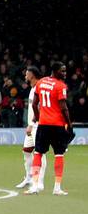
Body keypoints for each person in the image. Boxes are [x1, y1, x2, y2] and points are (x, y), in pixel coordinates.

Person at [26, 62, 72, 196]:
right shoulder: (60, 86)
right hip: (57, 126)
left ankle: (34, 185)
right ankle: (57, 188)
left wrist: (39, 118)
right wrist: (69, 124)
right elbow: (64, 108)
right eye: (62, 71)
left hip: (43, 124)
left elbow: (35, 104)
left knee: (38, 153)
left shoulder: (41, 82)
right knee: (59, 154)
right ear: (55, 71)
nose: (64, 73)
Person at [16, 66, 39, 189]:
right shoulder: (32, 89)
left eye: (27, 74)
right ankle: (29, 177)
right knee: (26, 151)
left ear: (32, 75)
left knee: (39, 153)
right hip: (31, 126)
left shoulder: (39, 88)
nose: (25, 76)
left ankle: (38, 181)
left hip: (38, 126)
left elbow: (41, 108)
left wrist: (32, 123)